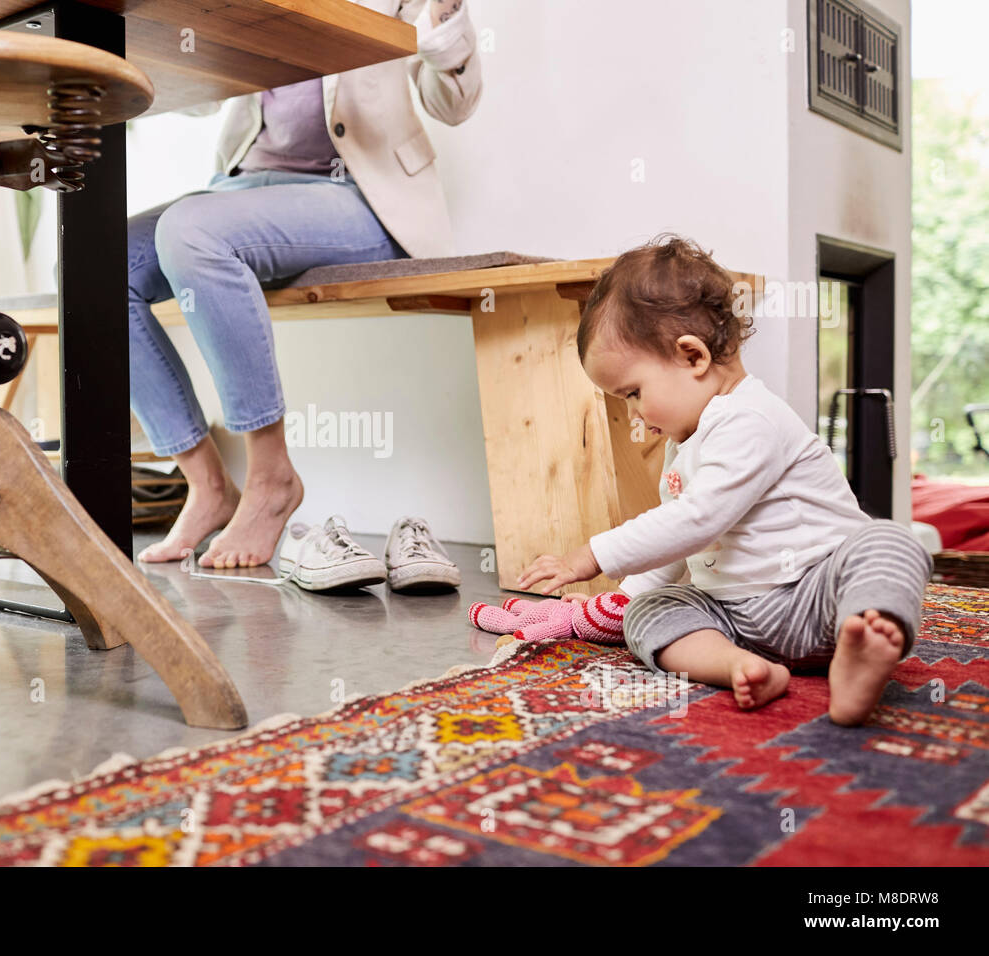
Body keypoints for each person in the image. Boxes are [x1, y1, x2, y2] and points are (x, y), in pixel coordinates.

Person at [517, 234, 933, 727]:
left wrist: (590, 556)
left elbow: (697, 519)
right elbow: (676, 546)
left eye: (632, 393)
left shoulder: (751, 419)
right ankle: (737, 665)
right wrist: (623, 600)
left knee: (888, 542)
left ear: (692, 357)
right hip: (736, 618)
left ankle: (864, 635)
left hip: (814, 597)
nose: (633, 414)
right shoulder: (685, 444)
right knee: (650, 612)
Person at [127, 0, 482, 568]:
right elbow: (200, 96)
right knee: (98, 263)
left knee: (189, 233)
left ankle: (271, 479)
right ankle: (208, 485)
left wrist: (445, 29)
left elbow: (455, 103)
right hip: (244, 187)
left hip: (358, 196)